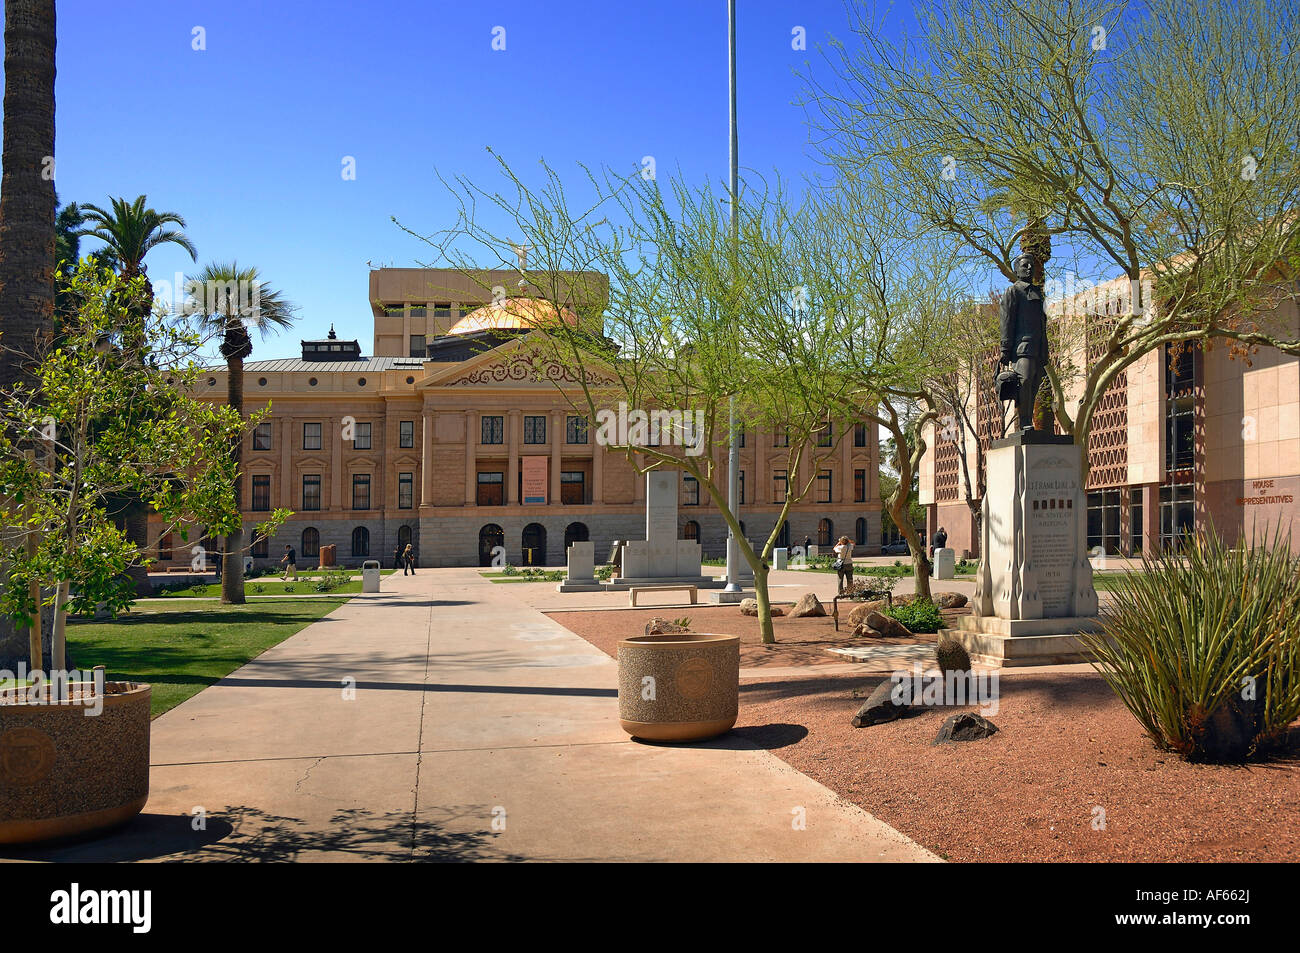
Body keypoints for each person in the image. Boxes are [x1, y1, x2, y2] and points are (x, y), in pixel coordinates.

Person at [999, 252, 1050, 432]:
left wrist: (1045, 349)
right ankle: (1025, 420)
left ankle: (1029, 420)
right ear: (1016, 269)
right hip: (1023, 347)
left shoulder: (1038, 293)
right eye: (1024, 265)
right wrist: (1005, 349)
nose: (1029, 268)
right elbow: (1007, 320)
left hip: (1038, 348)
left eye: (1031, 265)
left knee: (1035, 384)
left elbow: (1042, 323)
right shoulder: (1013, 291)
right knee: (1025, 381)